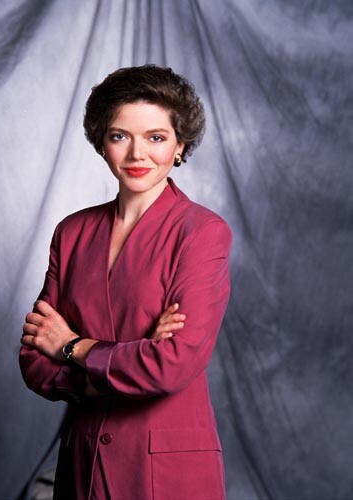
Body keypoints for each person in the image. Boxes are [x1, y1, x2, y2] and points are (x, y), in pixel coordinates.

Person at [20, 64, 231, 500]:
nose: (138, 154)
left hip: (166, 472)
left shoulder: (202, 233)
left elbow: (171, 364)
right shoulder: (71, 232)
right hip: (82, 466)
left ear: (179, 145)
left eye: (156, 137)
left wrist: (72, 347)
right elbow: (34, 357)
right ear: (102, 142)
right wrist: (119, 364)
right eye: (120, 136)